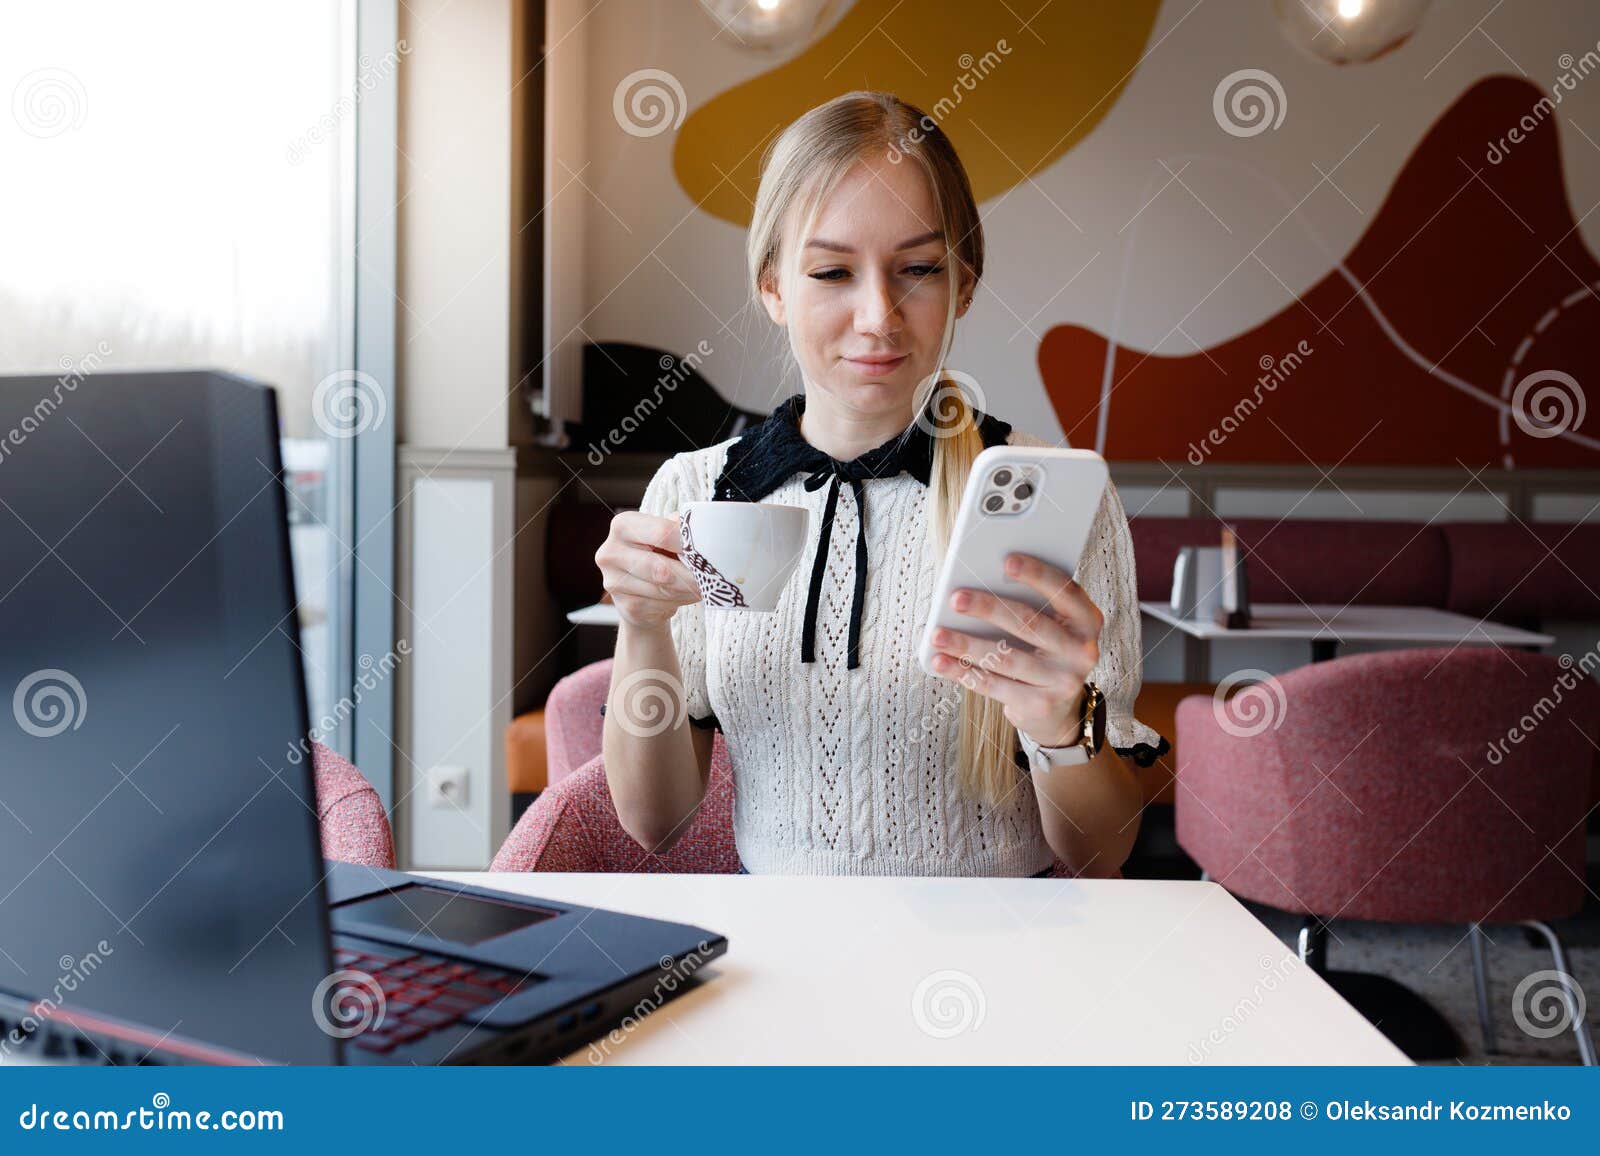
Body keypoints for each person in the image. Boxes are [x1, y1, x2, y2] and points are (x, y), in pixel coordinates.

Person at [594, 91, 1168, 877]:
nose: (878, 317)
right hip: (788, 954)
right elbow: (654, 822)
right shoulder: (694, 493)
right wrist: (642, 625)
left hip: (999, 956)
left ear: (964, 283)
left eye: (920, 269)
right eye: (832, 271)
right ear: (773, 288)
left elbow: (1101, 855)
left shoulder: (1051, 495)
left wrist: (1060, 726)